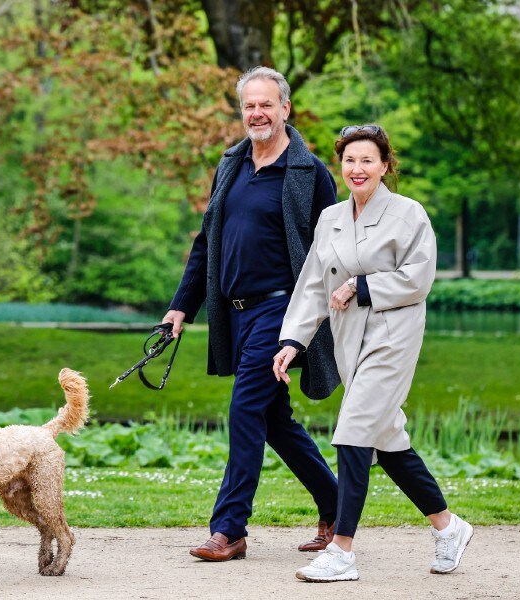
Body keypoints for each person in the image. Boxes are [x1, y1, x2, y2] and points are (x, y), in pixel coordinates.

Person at [273, 124, 474, 582]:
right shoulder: (331, 218)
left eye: (367, 160)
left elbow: (419, 278)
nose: (357, 168)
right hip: (350, 341)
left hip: (393, 337)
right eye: (349, 160)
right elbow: (310, 286)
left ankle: (341, 550)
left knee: (353, 429)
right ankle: (448, 527)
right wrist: (292, 340)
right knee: (389, 442)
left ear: (385, 165)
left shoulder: (408, 214)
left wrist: (361, 286)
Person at [163, 66, 340, 562]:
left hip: (283, 309)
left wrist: (323, 313)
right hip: (236, 314)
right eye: (249, 105)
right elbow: (207, 242)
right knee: (274, 419)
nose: (257, 113)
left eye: (267, 104)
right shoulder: (232, 165)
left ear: (286, 109)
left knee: (244, 409)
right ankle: (337, 505)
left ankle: (229, 529)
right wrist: (181, 307)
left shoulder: (309, 174)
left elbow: (333, 246)